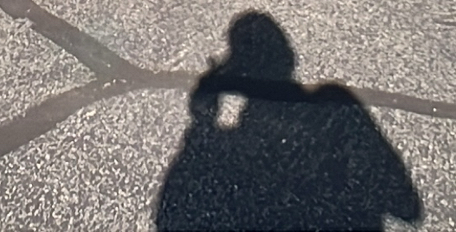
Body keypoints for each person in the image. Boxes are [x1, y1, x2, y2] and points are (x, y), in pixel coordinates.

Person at [154, 12, 423, 232]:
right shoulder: (334, 114)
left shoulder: (225, 153)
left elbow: (171, 219)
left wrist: (202, 128)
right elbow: (405, 205)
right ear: (288, 59)